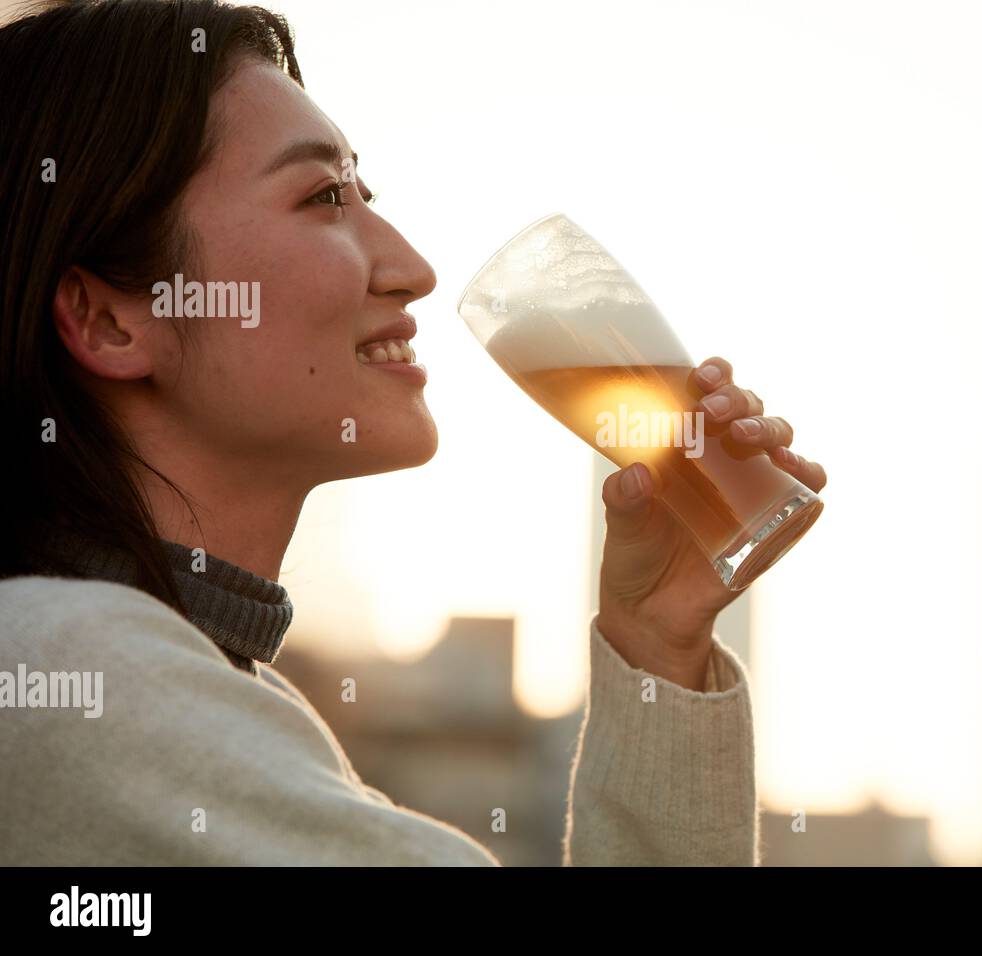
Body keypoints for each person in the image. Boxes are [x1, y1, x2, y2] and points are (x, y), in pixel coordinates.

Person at [0, 0, 828, 865]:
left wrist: (659, 644)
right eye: (323, 196)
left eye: (365, 194)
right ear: (109, 321)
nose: (413, 269)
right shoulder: (70, 665)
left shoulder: (215, 683)